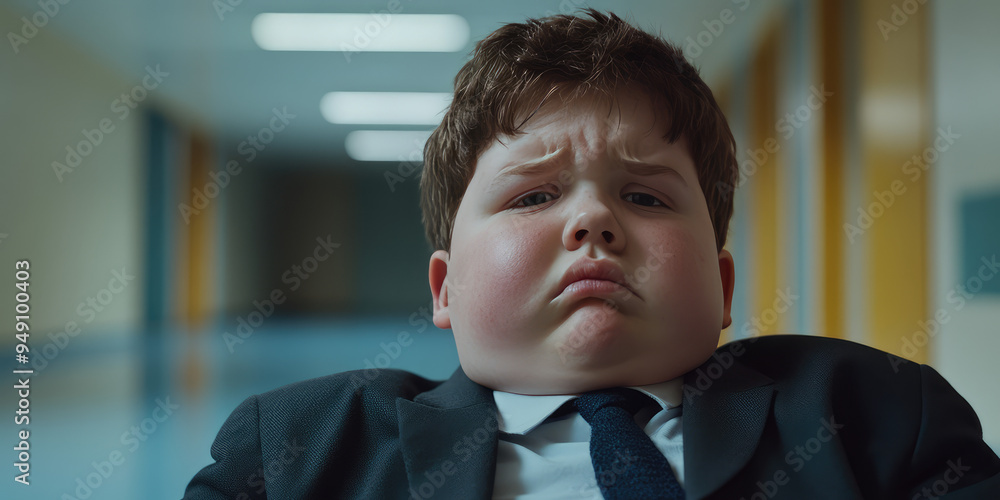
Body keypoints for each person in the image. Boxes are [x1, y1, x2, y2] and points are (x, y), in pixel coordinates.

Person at [183, 9, 1000, 499]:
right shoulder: (302, 450)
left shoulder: (874, 415)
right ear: (446, 289)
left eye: (644, 197)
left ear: (721, 287)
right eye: (533, 197)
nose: (593, 222)